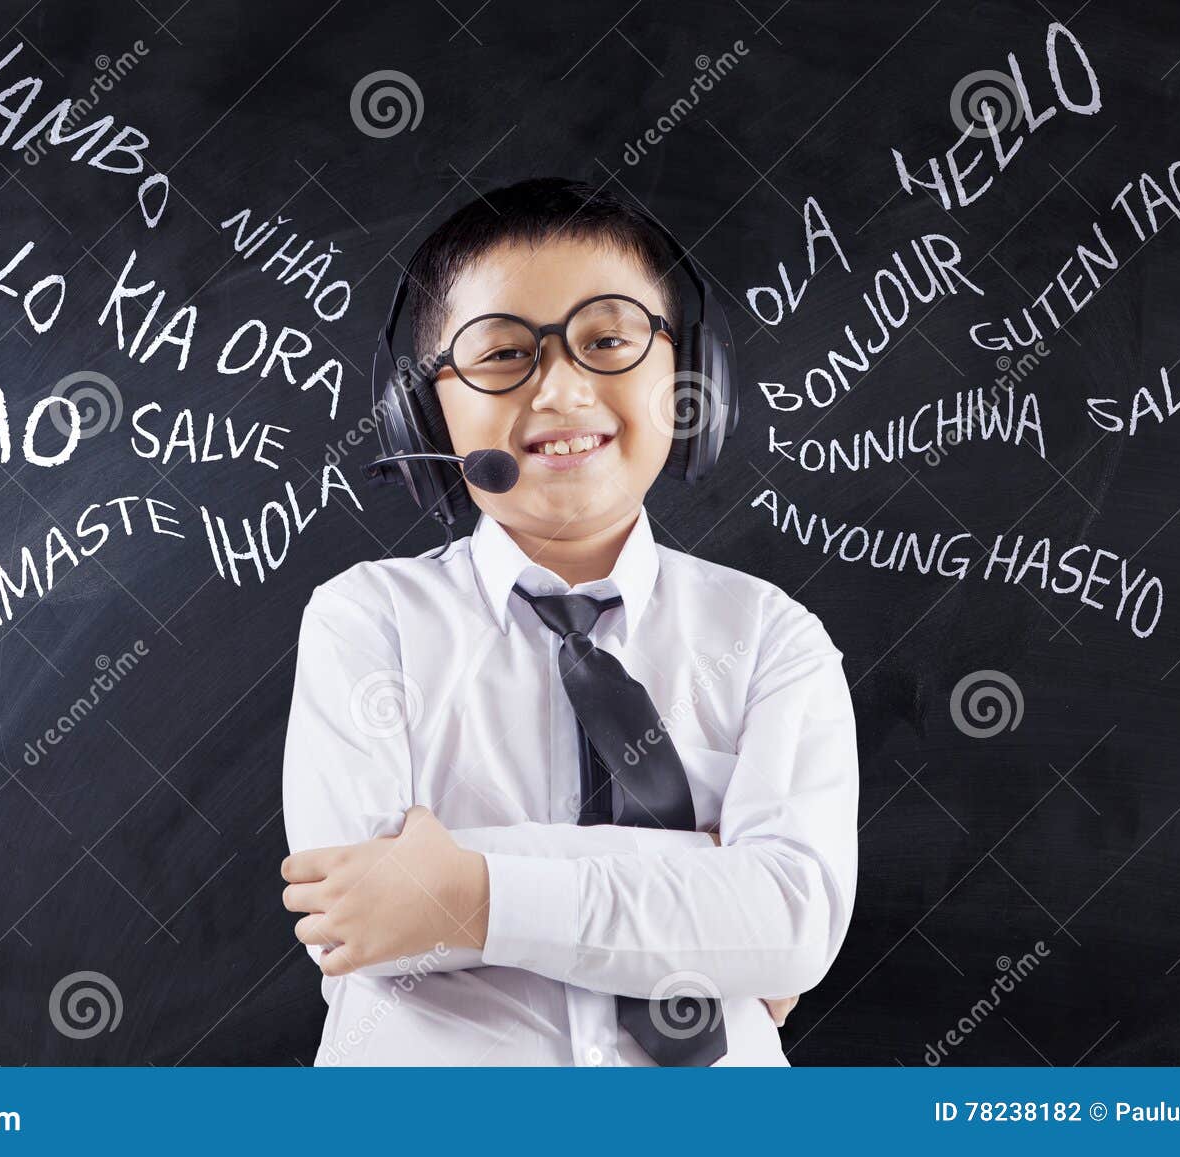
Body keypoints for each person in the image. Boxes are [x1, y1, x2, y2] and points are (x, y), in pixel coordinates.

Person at [280, 177, 858, 1066]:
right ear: (424, 407)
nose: (561, 390)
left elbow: (792, 923)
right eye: (504, 354)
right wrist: (702, 886)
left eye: (609, 340)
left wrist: (467, 890)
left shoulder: (774, 639)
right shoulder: (366, 621)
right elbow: (362, 915)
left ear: (692, 377)